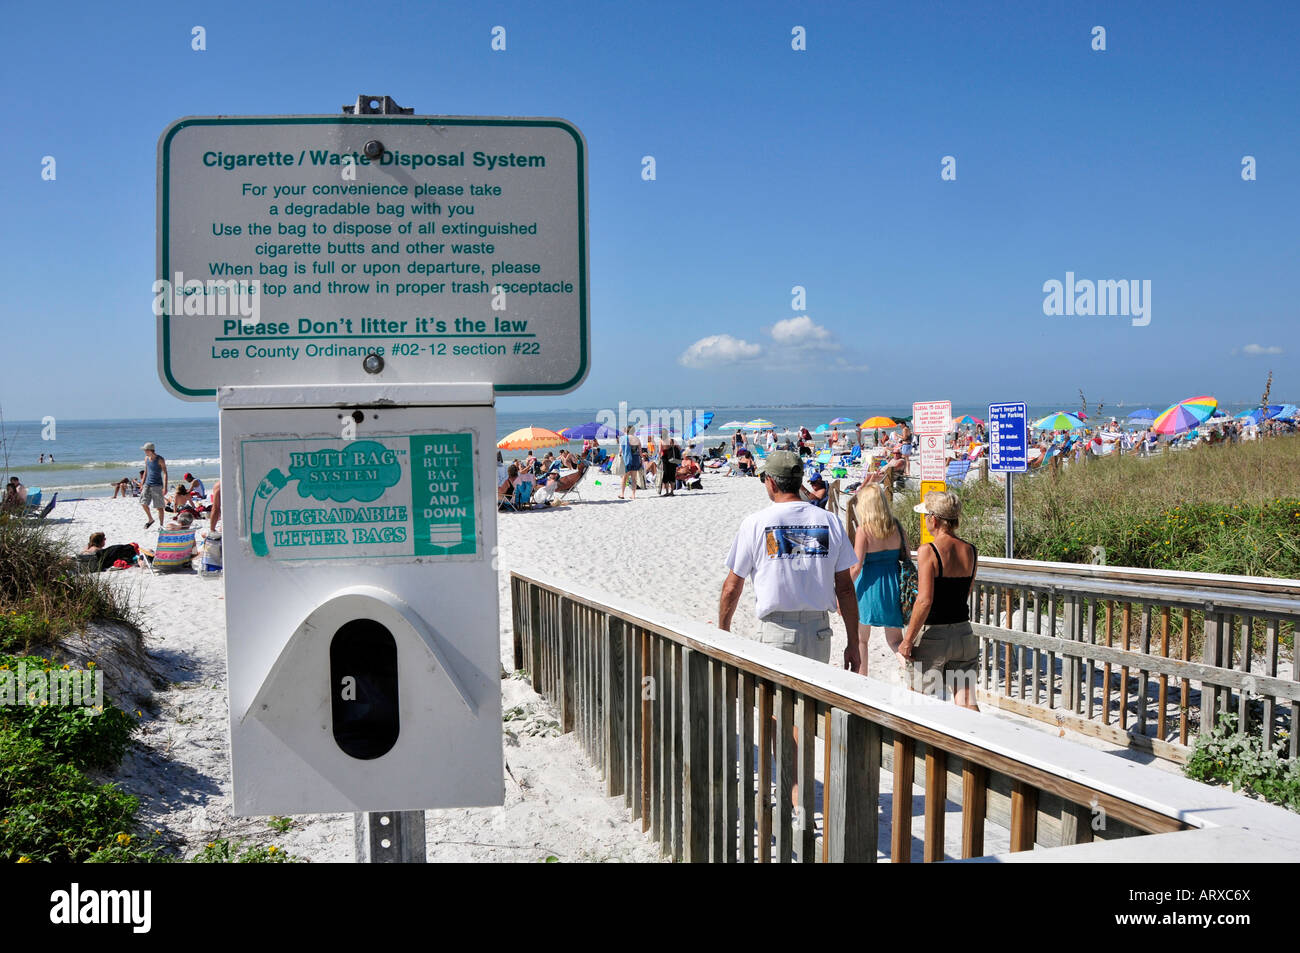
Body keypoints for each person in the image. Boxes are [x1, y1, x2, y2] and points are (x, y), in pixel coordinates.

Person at [718, 450, 860, 668]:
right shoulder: (829, 521)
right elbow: (845, 589)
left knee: (775, 701)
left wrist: (723, 631)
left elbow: (732, 587)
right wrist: (853, 643)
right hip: (819, 632)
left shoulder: (756, 523)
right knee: (814, 699)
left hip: (776, 630)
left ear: (772, 483)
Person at [899, 491, 979, 710]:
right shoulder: (971, 551)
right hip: (963, 632)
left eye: (926, 516)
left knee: (921, 701)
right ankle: (975, 742)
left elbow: (924, 601)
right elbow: (966, 591)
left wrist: (908, 640)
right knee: (966, 701)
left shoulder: (929, 551)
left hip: (934, 635)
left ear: (933, 519)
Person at [848, 487, 907, 675]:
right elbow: (905, 556)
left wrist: (841, 589)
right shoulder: (896, 526)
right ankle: (913, 673)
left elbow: (856, 567)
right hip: (893, 585)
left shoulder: (864, 530)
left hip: (868, 586)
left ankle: (861, 681)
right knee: (895, 641)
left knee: (861, 640)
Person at [140, 442, 168, 529]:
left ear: (150, 450)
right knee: (143, 503)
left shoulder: (160, 459)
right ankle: (150, 519)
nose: (144, 451)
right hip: (147, 484)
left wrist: (165, 487)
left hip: (157, 485)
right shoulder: (146, 458)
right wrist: (142, 483)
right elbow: (146, 471)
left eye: (145, 450)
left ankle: (161, 525)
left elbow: (165, 473)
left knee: (159, 507)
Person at [619, 425, 643, 499]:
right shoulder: (637, 439)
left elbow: (620, 450)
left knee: (624, 477)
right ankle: (633, 495)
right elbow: (640, 452)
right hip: (635, 459)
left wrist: (620, 455)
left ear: (627, 431)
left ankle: (622, 494)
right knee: (634, 478)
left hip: (627, 459)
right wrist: (641, 459)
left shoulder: (623, 438)